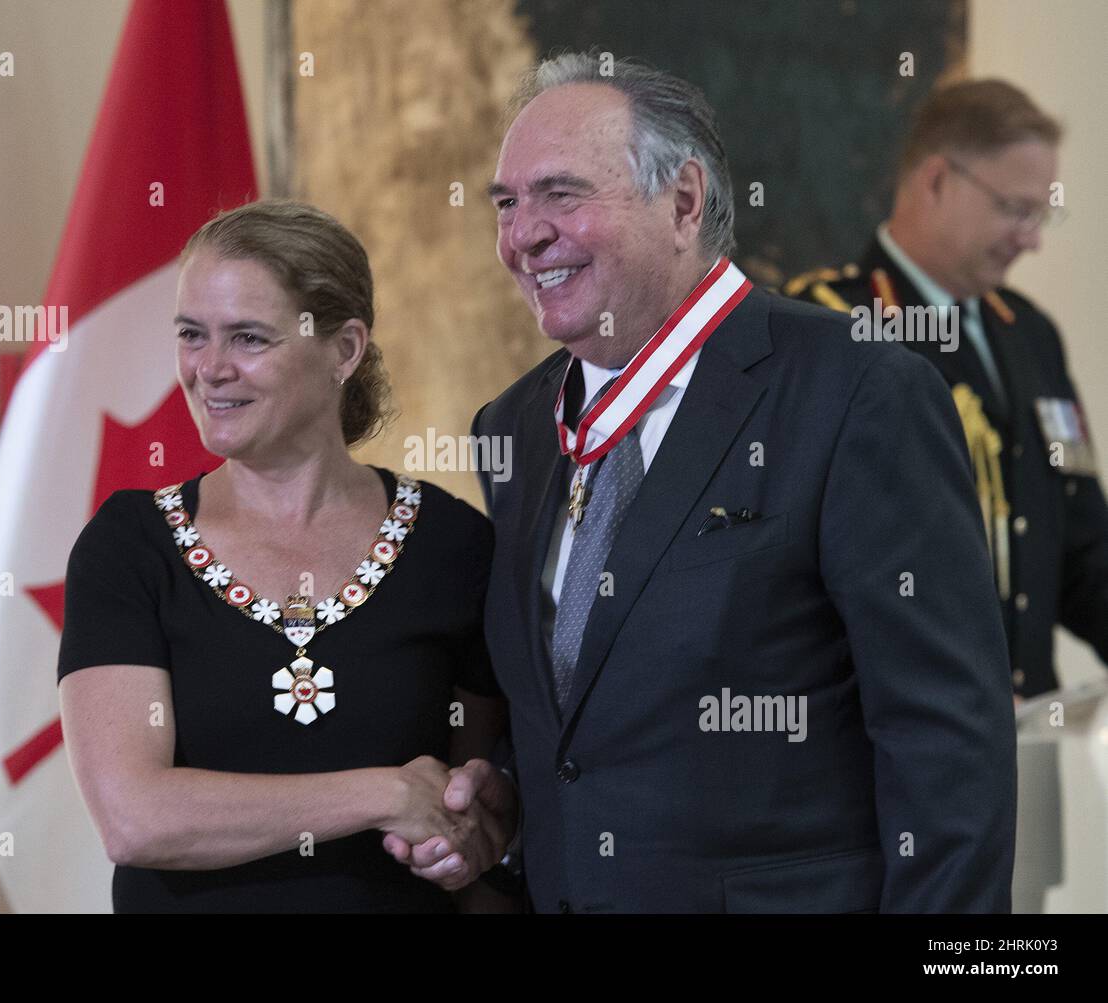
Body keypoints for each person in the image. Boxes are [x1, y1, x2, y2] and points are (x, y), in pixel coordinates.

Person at [387, 53, 1016, 912]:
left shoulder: (856, 390)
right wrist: (493, 804)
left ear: (683, 201)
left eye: (561, 194)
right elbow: (583, 721)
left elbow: (948, 750)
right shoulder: (514, 427)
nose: (522, 235)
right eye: (507, 203)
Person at [57, 199, 510, 913]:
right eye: (191, 334)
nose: (210, 368)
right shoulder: (129, 547)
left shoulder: (456, 545)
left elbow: (470, 795)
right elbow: (134, 817)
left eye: (248, 337)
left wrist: (473, 831)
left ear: (344, 349)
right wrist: (383, 792)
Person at [787, 79, 1108, 701]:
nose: (1032, 238)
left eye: (1041, 215)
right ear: (936, 181)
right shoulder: (829, 325)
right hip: (895, 744)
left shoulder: (1030, 335)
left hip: (1030, 739)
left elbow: (1082, 549)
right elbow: (802, 571)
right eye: (1016, 210)